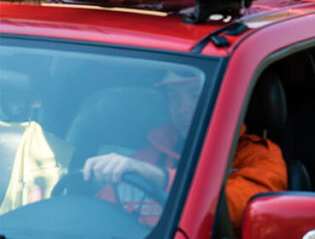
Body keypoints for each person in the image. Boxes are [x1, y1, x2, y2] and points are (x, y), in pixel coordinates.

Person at [82, 71, 287, 229]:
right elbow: (98, 216)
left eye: (194, 95)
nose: (182, 108)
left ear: (226, 101)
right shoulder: (153, 152)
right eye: (174, 98)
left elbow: (237, 209)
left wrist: (161, 178)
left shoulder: (257, 156)